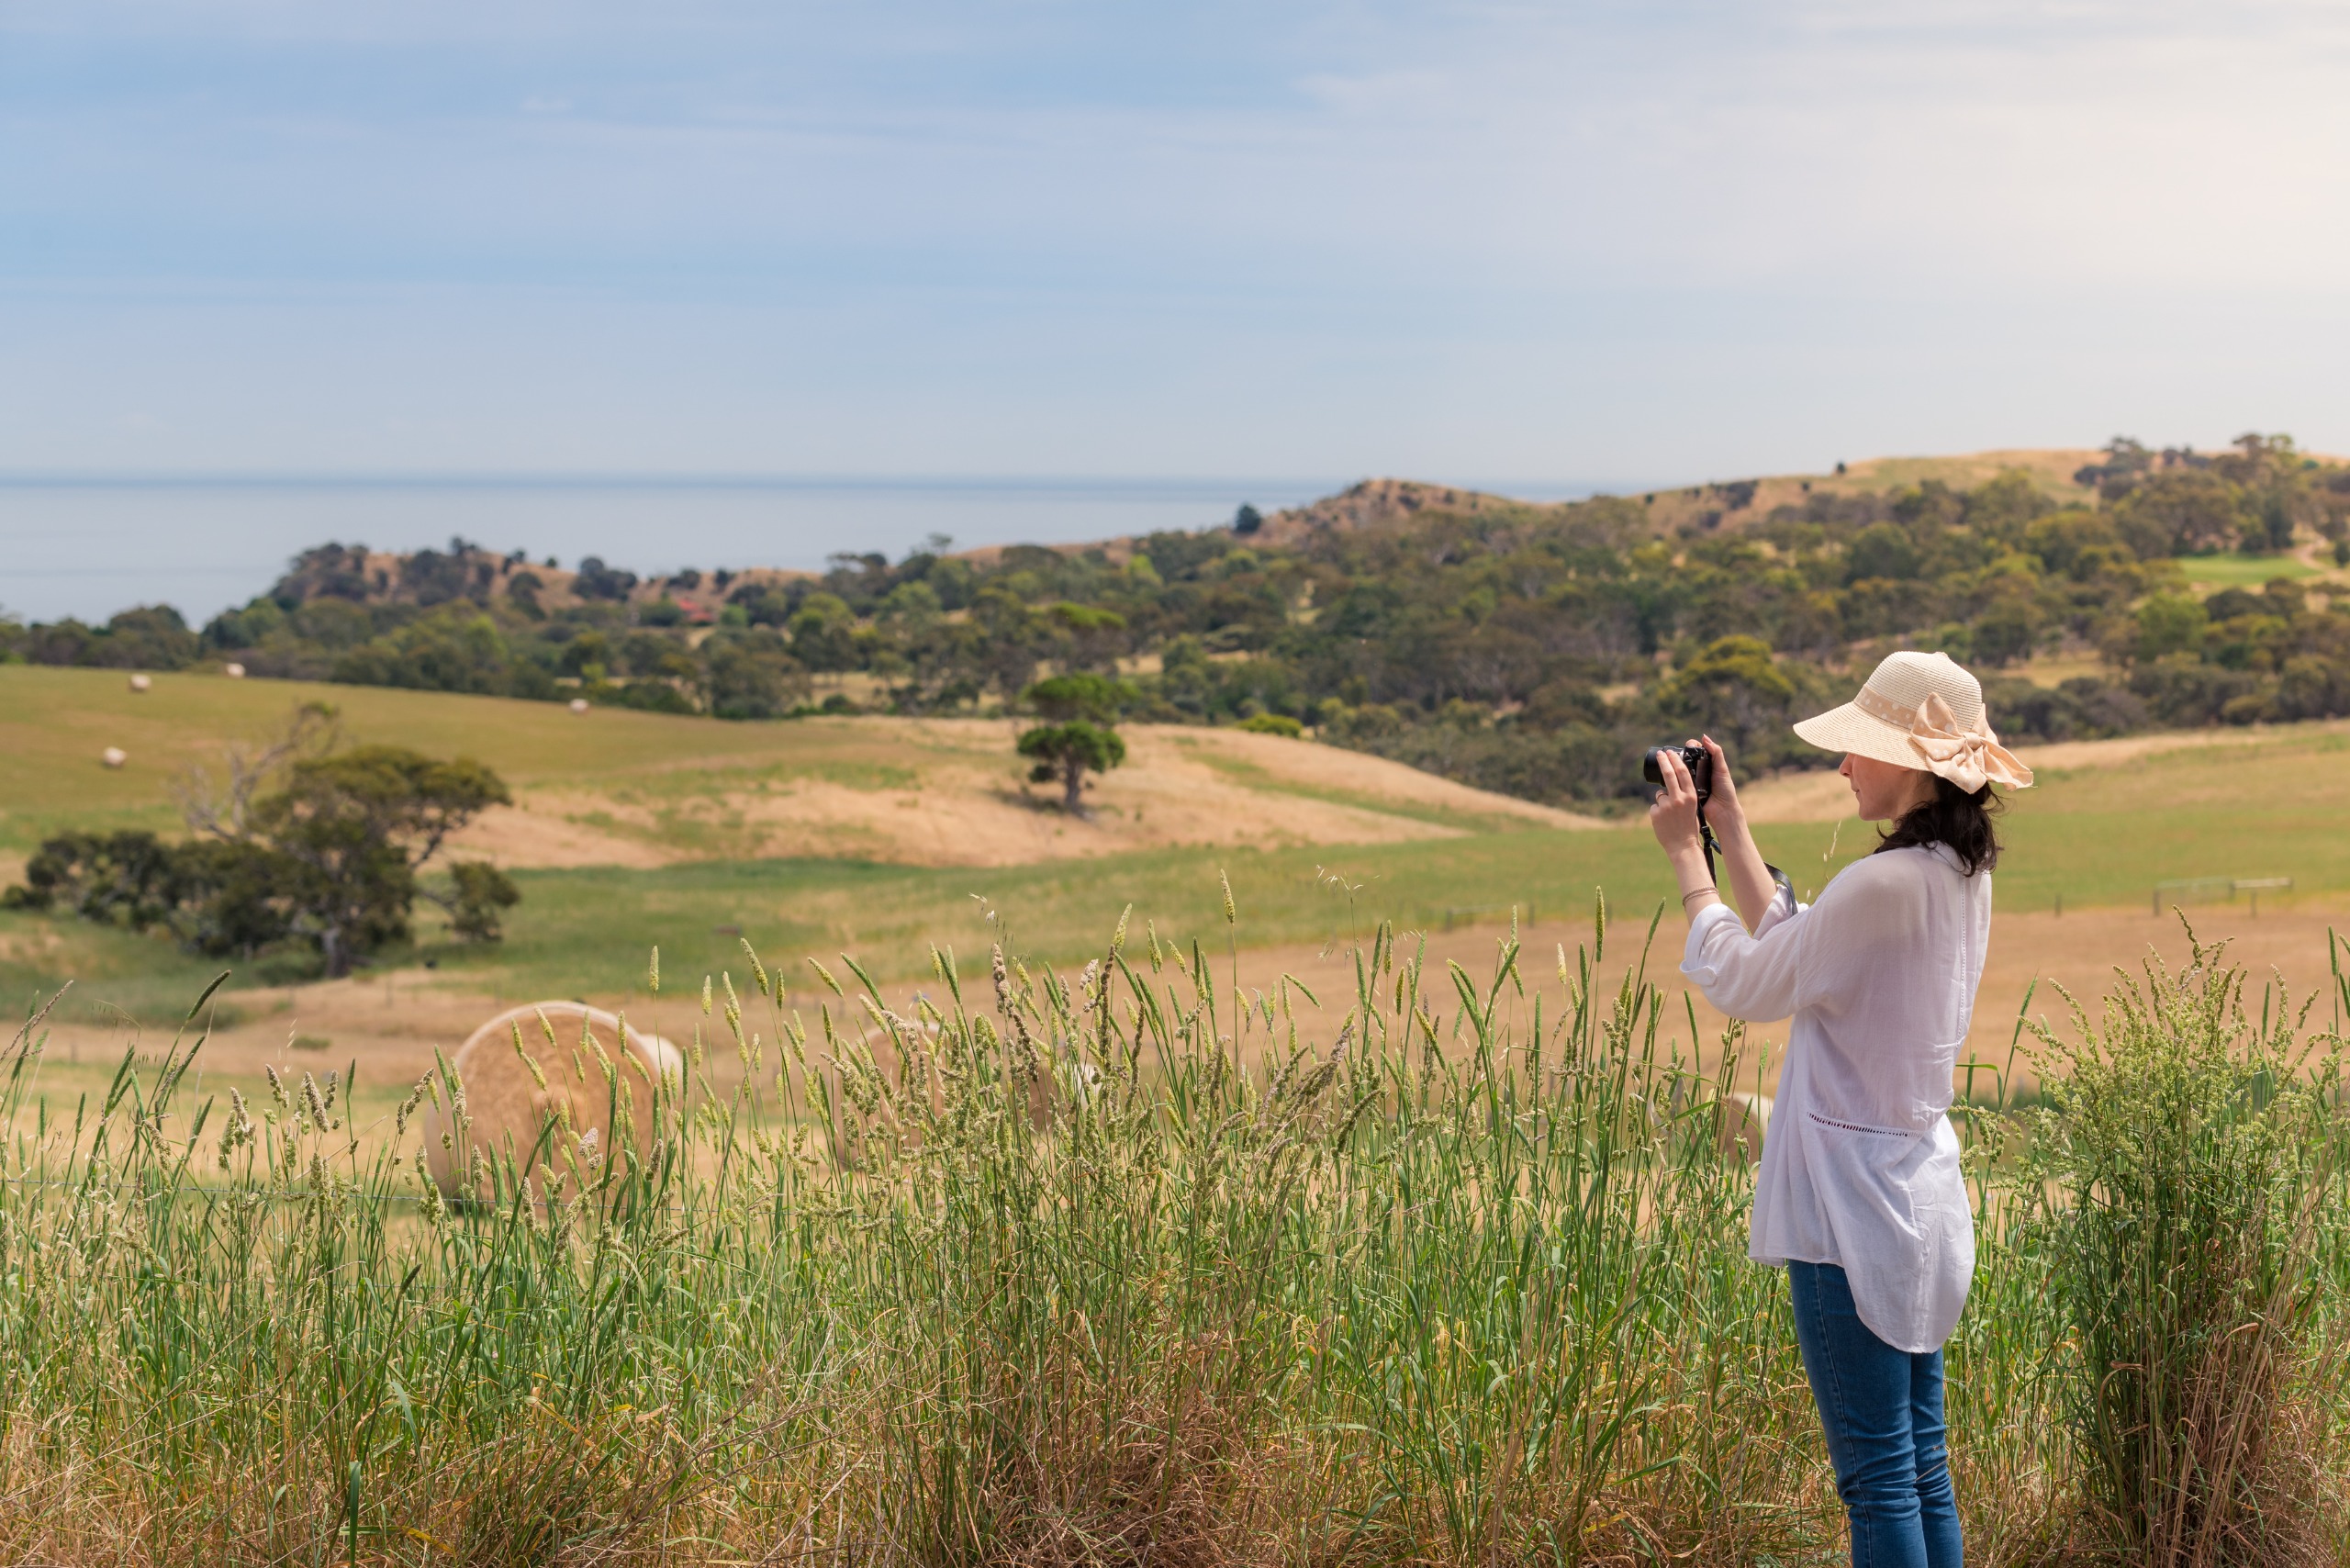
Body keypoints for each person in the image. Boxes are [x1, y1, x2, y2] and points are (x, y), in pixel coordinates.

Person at [1646, 650, 2032, 1568]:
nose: (1845, 764)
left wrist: (1686, 860)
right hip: (1917, 1199)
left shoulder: (1881, 884)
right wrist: (1729, 825)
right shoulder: (1953, 871)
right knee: (1921, 1469)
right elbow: (1805, 948)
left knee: (1878, 1481)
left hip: (1846, 1211)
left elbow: (1750, 982)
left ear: (1913, 762)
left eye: (1861, 746)